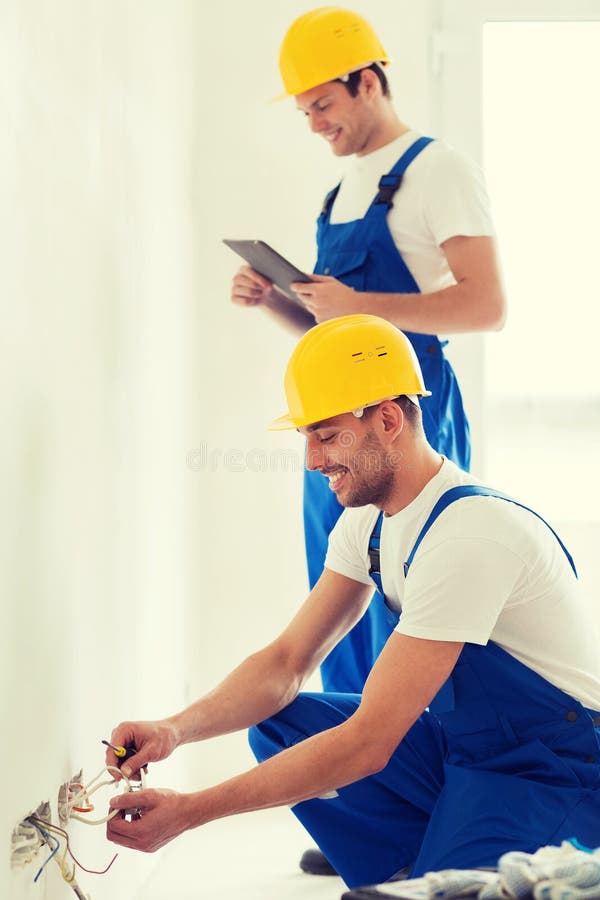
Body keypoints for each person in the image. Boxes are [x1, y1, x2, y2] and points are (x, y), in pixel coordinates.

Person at [106, 315, 600, 890]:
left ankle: (458, 863)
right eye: (307, 439)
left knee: (446, 889)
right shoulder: (369, 524)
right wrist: (175, 729)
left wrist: (193, 811)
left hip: (554, 770)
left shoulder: (469, 535)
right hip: (465, 743)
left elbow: (369, 742)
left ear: (388, 418)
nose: (313, 460)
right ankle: (419, 859)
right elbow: (286, 662)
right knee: (280, 723)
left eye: (327, 435)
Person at [231, 7, 506, 711]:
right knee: (339, 597)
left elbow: (485, 306)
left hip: (403, 417)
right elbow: (340, 327)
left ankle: (422, 769)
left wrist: (363, 304)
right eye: (305, 112)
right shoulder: (340, 191)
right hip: (334, 424)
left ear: (369, 81)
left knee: (413, 593)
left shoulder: (439, 169)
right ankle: (362, 774)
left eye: (323, 103)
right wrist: (273, 299)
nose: (316, 123)